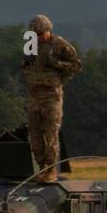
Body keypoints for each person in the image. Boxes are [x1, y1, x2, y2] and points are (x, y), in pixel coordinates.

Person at [21, 13, 81, 182]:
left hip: (51, 95)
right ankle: (40, 168)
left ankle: (50, 170)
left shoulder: (59, 44)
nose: (37, 38)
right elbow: (26, 64)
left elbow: (76, 66)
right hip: (34, 94)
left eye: (39, 34)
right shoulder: (31, 45)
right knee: (34, 134)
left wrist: (55, 64)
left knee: (51, 133)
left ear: (47, 31)